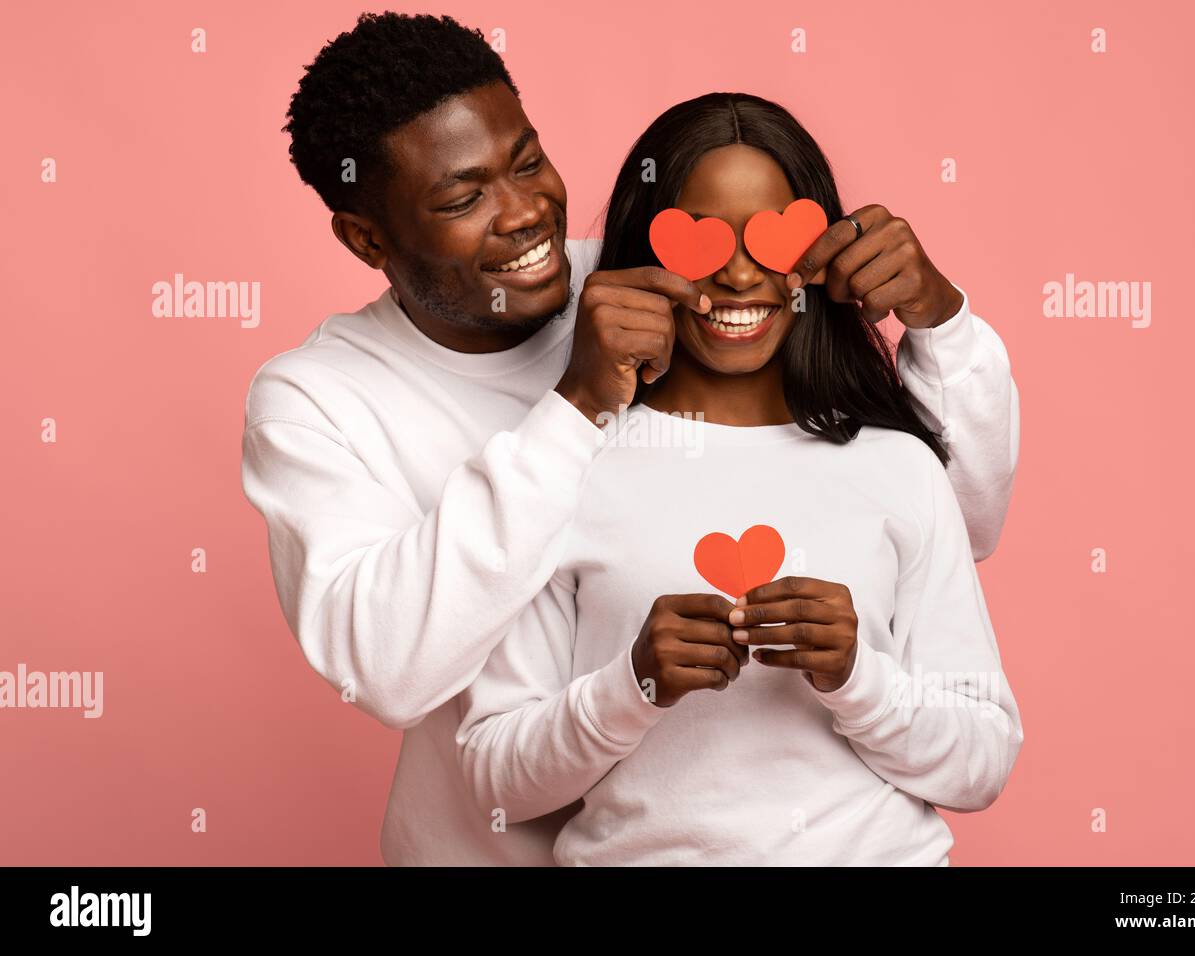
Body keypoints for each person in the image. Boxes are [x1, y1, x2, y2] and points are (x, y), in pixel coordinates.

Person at [240, 13, 1020, 866]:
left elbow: (954, 518)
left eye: (529, 161)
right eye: (464, 199)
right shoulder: (315, 400)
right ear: (367, 238)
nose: (524, 215)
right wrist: (576, 406)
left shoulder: (660, 272)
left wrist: (937, 320)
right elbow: (387, 671)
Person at [454, 92, 1024, 865]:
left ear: (819, 257)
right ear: (642, 251)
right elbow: (496, 781)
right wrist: (633, 686)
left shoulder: (898, 467)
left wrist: (859, 679)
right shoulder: (566, 464)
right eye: (701, 242)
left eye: (772, 241)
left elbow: (983, 762)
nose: (738, 274)